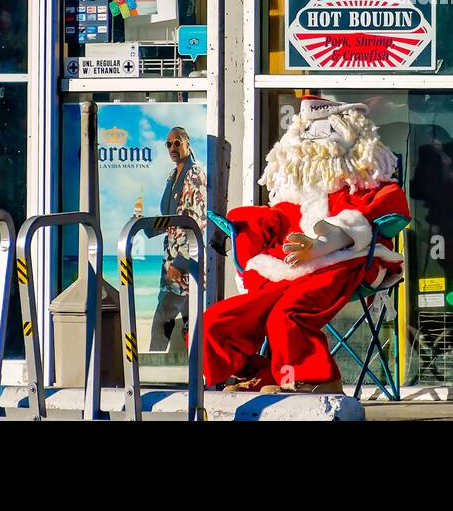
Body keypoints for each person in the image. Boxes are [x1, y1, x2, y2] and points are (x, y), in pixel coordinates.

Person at [200, 97, 409, 393]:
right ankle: (261, 373)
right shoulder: (294, 199)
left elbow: (385, 208)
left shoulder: (362, 189)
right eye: (307, 134)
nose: (313, 141)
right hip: (286, 271)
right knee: (218, 320)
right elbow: (270, 217)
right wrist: (236, 226)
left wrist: (328, 241)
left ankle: (315, 381)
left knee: (286, 315)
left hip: (342, 265)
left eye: (324, 133)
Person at [148, 126, 207, 353]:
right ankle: (191, 375)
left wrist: (182, 262)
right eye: (169, 144)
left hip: (185, 264)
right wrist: (147, 228)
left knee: (161, 322)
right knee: (188, 326)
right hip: (169, 264)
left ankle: (150, 377)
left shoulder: (195, 175)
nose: (173, 147)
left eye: (177, 142)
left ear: (187, 143)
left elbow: (199, 221)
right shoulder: (172, 176)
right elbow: (171, 217)